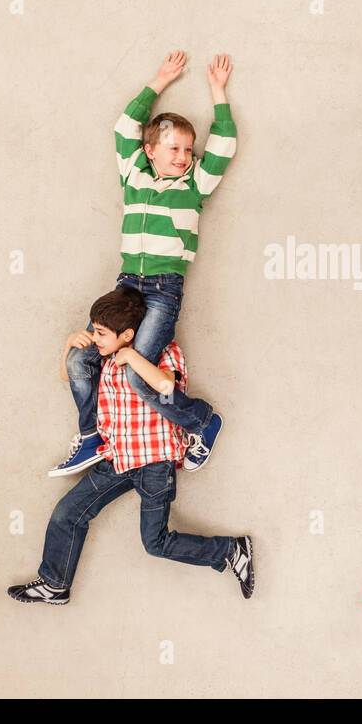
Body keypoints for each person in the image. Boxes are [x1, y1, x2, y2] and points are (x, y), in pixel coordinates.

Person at [53, 51, 236, 475]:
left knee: (138, 375)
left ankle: (203, 422)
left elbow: (224, 145)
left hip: (162, 291)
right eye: (173, 148)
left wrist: (218, 94)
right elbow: (124, 129)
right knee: (81, 359)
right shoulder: (134, 174)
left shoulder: (193, 184)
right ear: (150, 151)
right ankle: (92, 436)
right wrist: (159, 81)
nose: (182, 157)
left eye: (188, 150)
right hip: (125, 287)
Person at [10, 287, 254, 604]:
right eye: (93, 331)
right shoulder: (106, 360)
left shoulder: (164, 353)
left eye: (100, 332)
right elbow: (68, 376)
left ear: (126, 334)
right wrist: (69, 346)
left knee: (155, 542)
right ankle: (55, 584)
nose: (94, 338)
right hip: (117, 460)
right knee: (66, 513)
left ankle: (232, 550)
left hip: (155, 463)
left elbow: (166, 387)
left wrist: (134, 358)